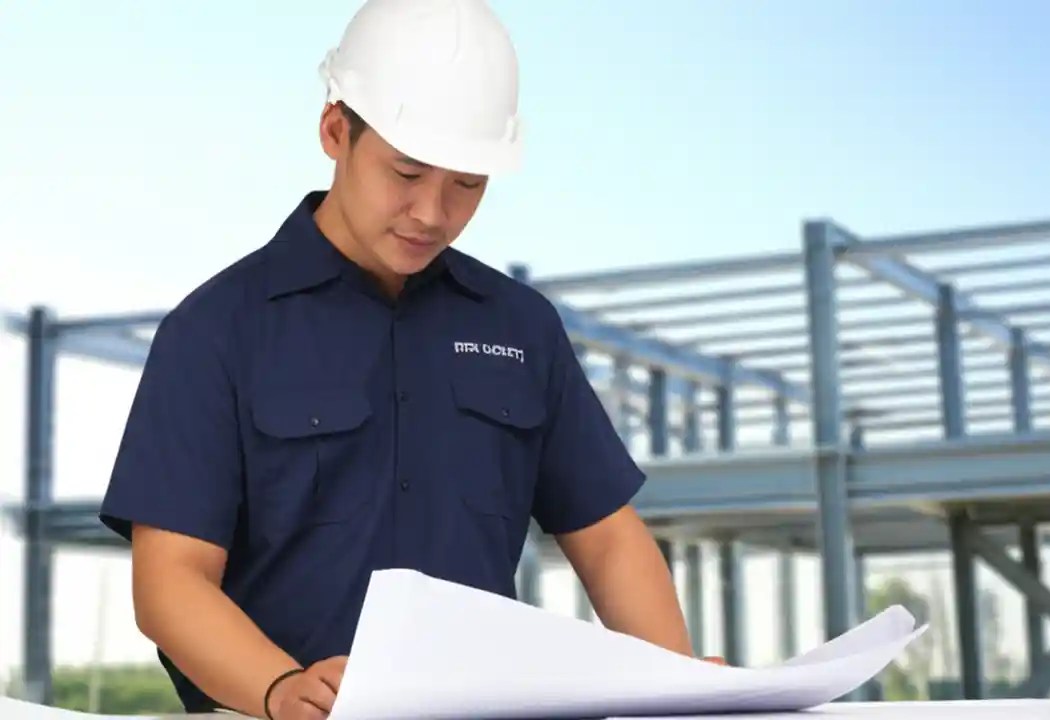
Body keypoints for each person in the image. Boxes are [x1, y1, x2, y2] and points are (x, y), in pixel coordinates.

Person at [98, 1, 712, 718]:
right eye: (407, 172)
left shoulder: (522, 327)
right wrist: (279, 688)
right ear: (336, 131)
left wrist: (684, 690)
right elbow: (171, 581)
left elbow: (608, 541)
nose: (432, 213)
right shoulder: (216, 330)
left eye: (467, 184)